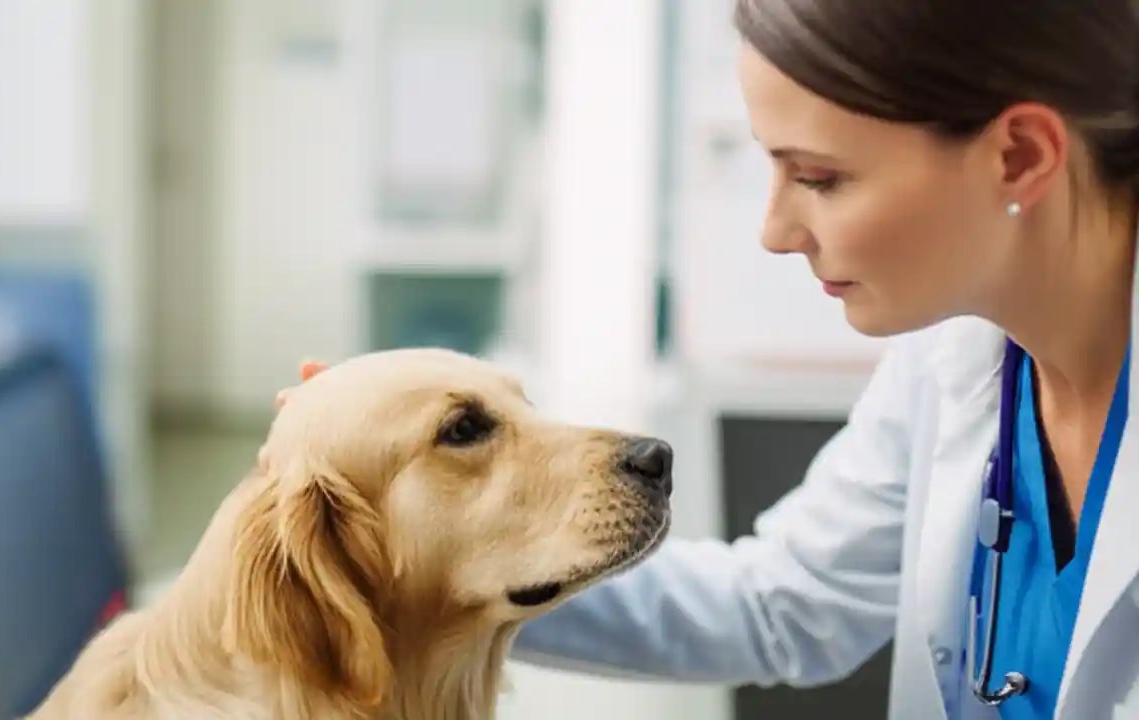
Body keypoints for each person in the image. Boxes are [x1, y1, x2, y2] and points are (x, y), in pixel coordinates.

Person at [296, 1, 1139, 717]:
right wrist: (422, 559)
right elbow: (779, 603)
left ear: (1019, 156)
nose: (773, 231)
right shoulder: (960, 358)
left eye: (819, 178)